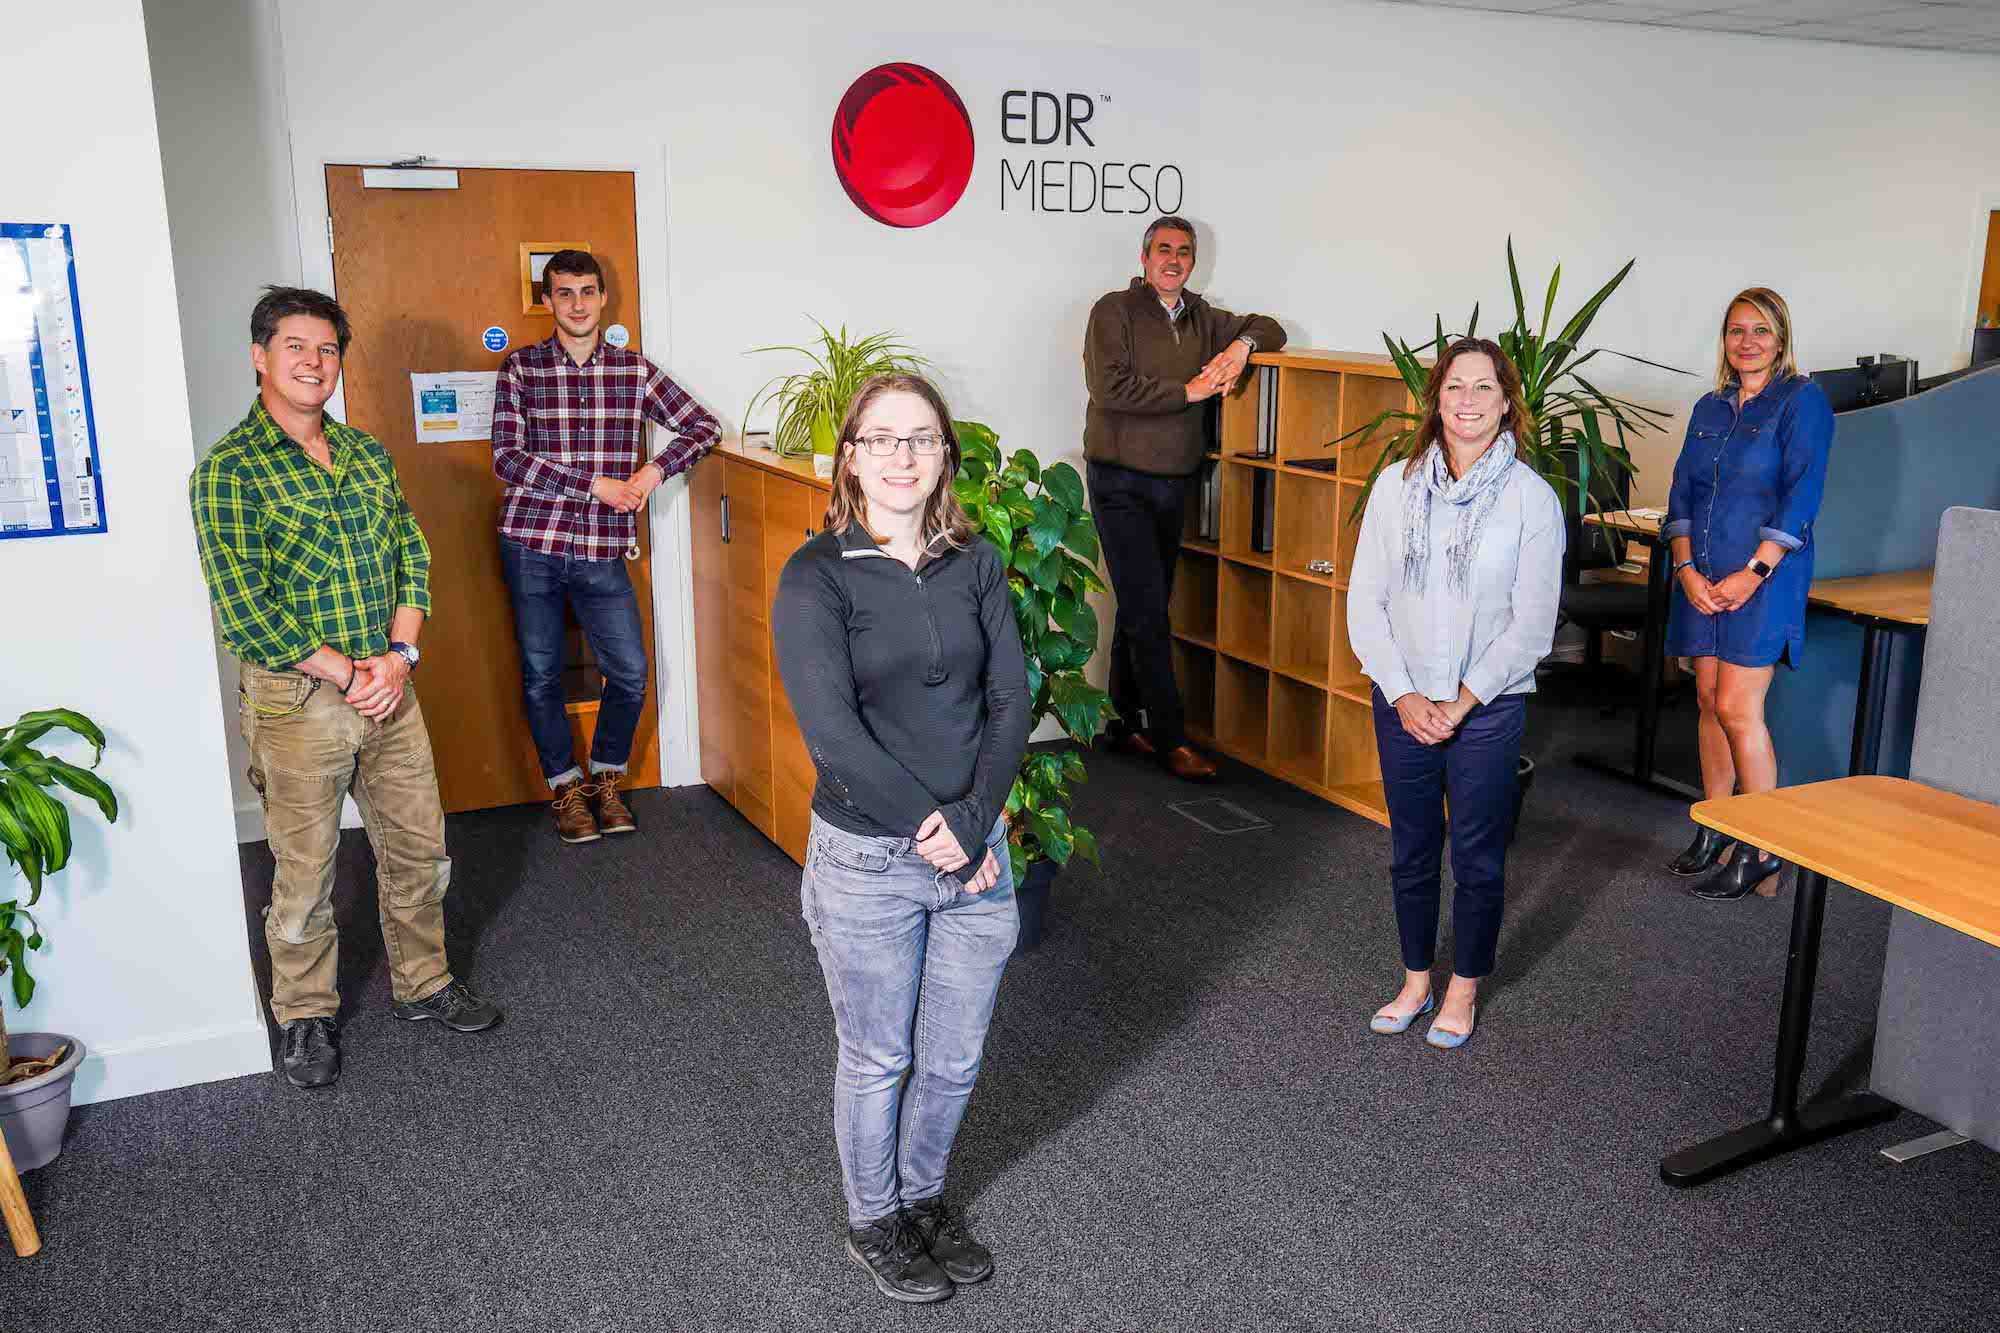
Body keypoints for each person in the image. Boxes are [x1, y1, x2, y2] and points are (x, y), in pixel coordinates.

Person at [189, 286, 501, 1090]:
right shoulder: (228, 471)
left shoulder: (366, 454)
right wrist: (348, 670)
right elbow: (246, 609)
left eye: (327, 349)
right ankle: (304, 1015)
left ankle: (426, 983)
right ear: (261, 356)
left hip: (389, 685)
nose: (313, 362)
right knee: (304, 870)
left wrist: (399, 658)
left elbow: (413, 557)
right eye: (296, 346)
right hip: (299, 701)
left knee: (420, 847)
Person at [772, 373, 1031, 1305]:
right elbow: (832, 733)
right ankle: (873, 1216)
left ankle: (923, 1198)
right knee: (880, 1055)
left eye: (920, 438)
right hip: (871, 861)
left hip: (976, 848)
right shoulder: (817, 574)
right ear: (850, 456)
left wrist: (972, 824)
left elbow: (1011, 700)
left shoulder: (977, 560)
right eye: (880, 439)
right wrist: (935, 830)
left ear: (945, 456)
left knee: (955, 1057)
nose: (901, 456)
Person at [1346, 338, 1564, 1049]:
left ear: (1507, 403)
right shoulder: (1394, 487)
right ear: (1435, 399)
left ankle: (1464, 986)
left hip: (1488, 707)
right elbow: (1364, 605)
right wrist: (1406, 695)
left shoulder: (1534, 500)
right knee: (1411, 848)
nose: (1467, 401)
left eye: (1483, 388)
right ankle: (1415, 980)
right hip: (1402, 698)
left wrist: (1462, 701)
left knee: (1476, 854)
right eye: (1454, 387)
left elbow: (1532, 626)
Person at [489, 250, 719, 844]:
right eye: (564, 294)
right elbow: (506, 459)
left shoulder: (634, 371)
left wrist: (650, 475)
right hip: (531, 543)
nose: (578, 304)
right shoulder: (521, 369)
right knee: (542, 674)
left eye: (588, 292)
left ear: (602, 298)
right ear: (548, 301)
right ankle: (565, 787)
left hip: (600, 547)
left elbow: (704, 427)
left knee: (631, 672)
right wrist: (593, 483)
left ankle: (606, 778)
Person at [1083, 215, 1286, 782]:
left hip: (1176, 482)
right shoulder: (1113, 310)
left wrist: (1243, 346)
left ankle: (1124, 724)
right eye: (1164, 250)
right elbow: (1110, 387)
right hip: (1120, 480)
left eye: (1184, 252)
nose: (1173, 260)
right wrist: (1190, 391)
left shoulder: (1204, 316)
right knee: (1149, 612)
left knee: (1140, 604)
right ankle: (1171, 739)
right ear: (1145, 258)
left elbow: (1270, 327)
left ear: (1193, 262)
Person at [1662, 288, 1833, 900]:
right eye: (1736, 331)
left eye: (1761, 331)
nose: (1748, 342)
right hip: (1702, 577)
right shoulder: (1710, 407)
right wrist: (1685, 570)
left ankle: (1761, 850)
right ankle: (1717, 826)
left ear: (1781, 340)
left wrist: (1752, 573)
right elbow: (1681, 492)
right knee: (1707, 699)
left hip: (1763, 580)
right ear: (1725, 340)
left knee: (1739, 708)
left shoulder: (1802, 401)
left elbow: (1802, 497)